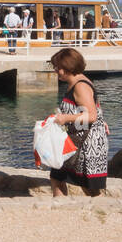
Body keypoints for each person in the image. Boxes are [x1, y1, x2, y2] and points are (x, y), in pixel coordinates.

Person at [48, 48, 108, 198]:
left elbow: (92, 115)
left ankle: (102, 211)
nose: (56, 71)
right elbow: (94, 107)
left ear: (69, 67)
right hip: (76, 141)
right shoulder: (78, 82)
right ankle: (61, 209)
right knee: (58, 176)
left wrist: (65, 118)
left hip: (87, 144)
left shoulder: (80, 86)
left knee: (88, 187)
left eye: (58, 67)